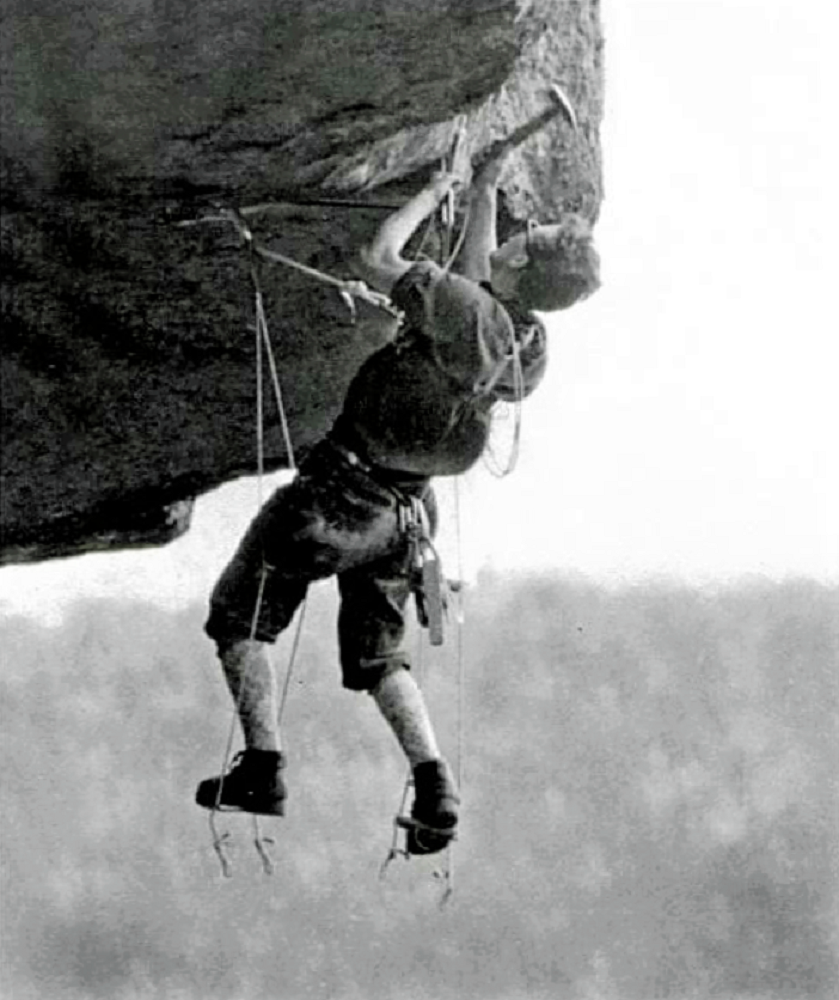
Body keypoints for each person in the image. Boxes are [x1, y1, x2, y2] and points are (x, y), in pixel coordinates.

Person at [195, 111, 600, 855]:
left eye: (528, 237)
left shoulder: (470, 309)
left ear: (522, 266)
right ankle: (434, 782)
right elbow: (480, 281)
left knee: (238, 622)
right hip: (404, 518)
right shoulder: (525, 342)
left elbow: (377, 254)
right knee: (380, 658)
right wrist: (483, 181)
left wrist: (427, 194)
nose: (518, 231)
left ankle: (261, 767)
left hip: (334, 499)